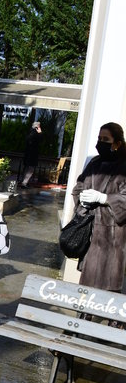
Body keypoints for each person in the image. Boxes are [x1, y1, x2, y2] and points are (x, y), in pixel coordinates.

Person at [71, 121, 126, 293]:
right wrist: (82, 200)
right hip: (91, 231)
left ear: (117, 143)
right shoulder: (94, 163)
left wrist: (104, 198)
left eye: (106, 139)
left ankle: (112, 317)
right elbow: (78, 186)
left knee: (110, 279)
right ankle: (83, 313)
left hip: (114, 236)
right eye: (99, 138)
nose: (100, 142)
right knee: (88, 279)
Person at [20, 120, 42, 187]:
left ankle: (23, 182)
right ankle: (24, 183)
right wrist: (40, 133)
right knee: (31, 169)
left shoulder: (29, 132)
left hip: (27, 153)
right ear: (37, 127)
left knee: (26, 168)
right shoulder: (36, 134)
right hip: (32, 154)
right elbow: (41, 141)